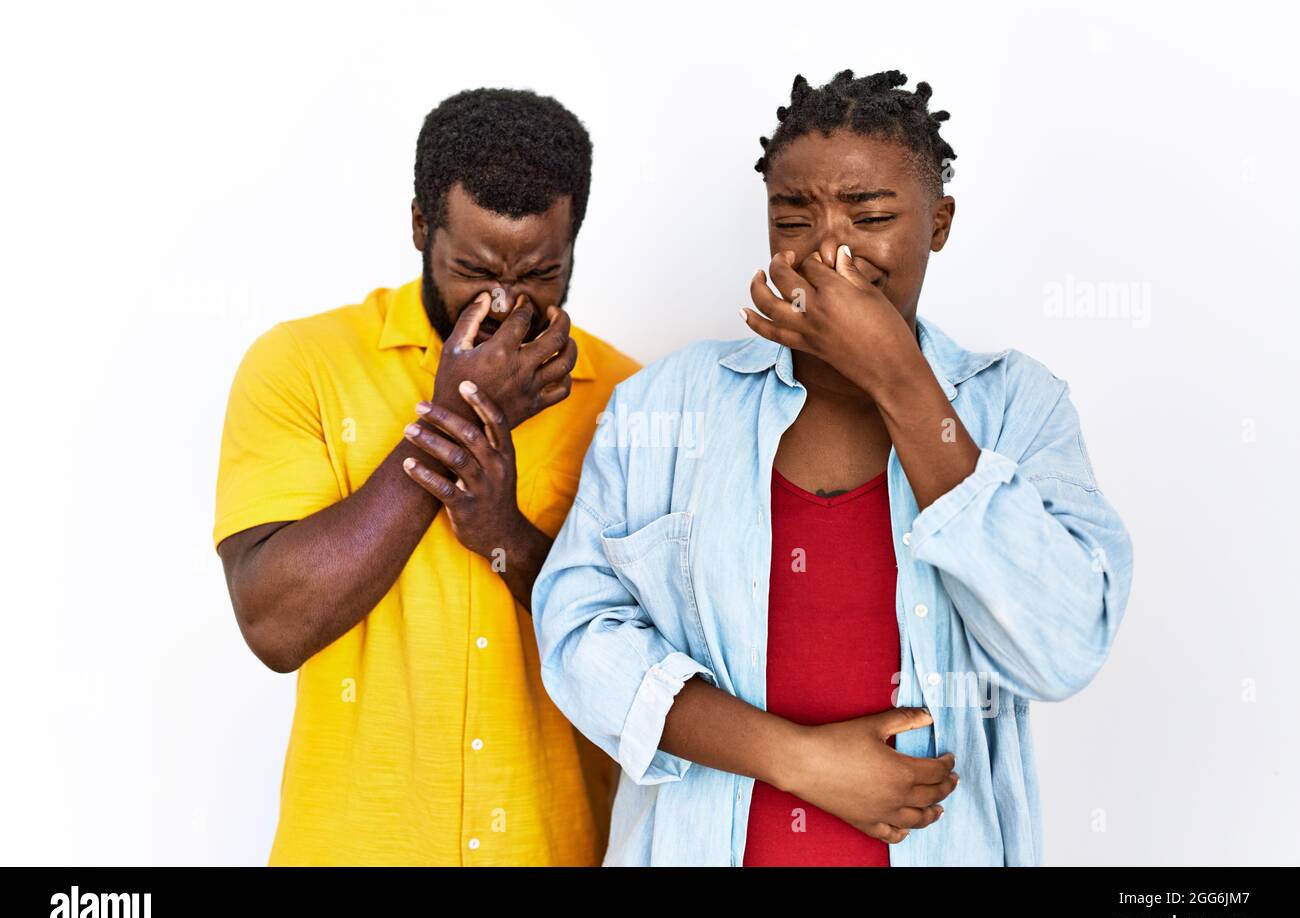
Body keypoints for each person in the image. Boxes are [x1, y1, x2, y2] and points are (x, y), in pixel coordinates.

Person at [532, 69, 1134, 866]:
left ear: (939, 222)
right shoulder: (664, 407)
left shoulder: (1019, 409)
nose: (829, 249)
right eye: (792, 217)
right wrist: (799, 761)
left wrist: (898, 379)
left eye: (873, 214)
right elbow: (578, 639)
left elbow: (1063, 648)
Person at [214, 87, 639, 865]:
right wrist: (452, 422)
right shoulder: (301, 366)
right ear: (420, 226)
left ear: (574, 243)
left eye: (541, 274)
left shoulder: (631, 403)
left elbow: (652, 653)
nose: (506, 302)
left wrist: (507, 536)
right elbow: (275, 626)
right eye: (473, 269)